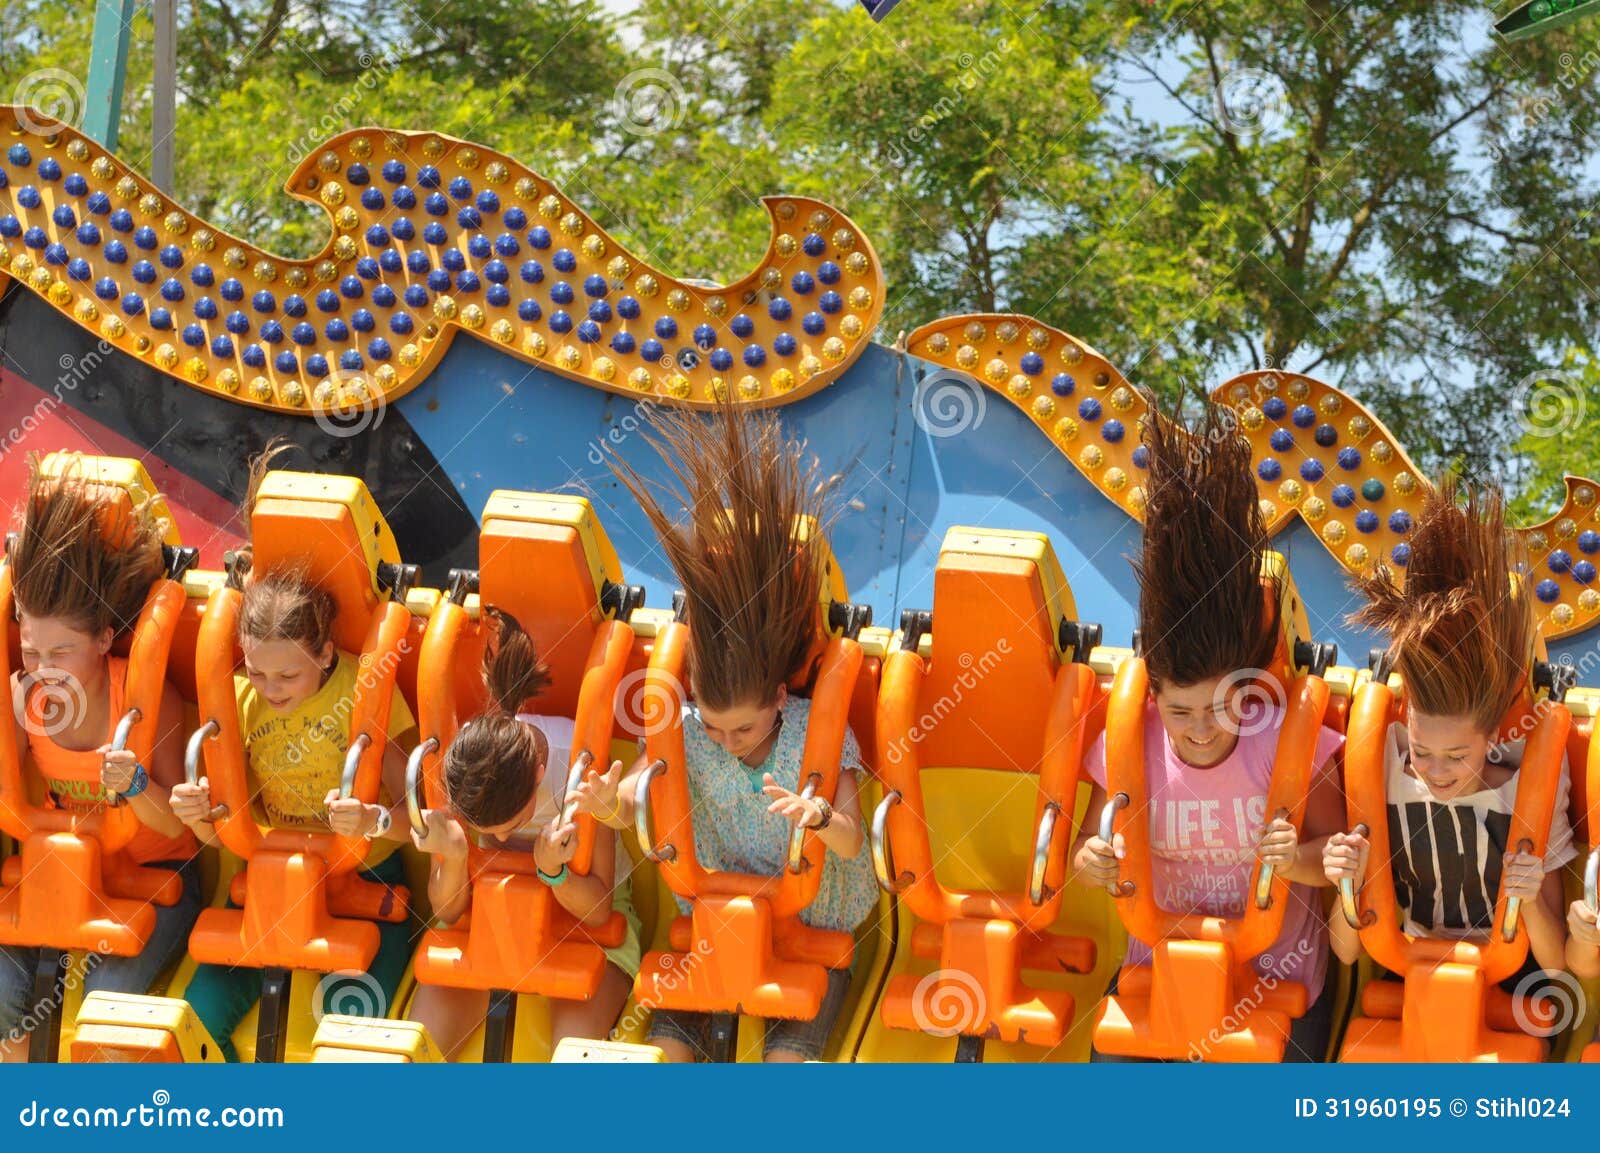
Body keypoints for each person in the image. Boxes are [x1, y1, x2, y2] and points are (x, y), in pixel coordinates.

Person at [571, 401, 877, 1062]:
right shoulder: (685, 732)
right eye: (713, 725)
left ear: (775, 699)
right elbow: (639, 799)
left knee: (785, 1064)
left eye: (741, 727)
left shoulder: (811, 734)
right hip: (711, 926)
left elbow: (853, 842)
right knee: (668, 1060)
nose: (726, 739)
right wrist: (609, 806)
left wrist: (820, 815)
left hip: (808, 930)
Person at [1069, 399, 1345, 1063]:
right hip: (1163, 971)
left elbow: (1335, 860)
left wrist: (1296, 860)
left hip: (1274, 982)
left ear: (1244, 693)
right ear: (1154, 693)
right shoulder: (1128, 741)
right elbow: (1086, 849)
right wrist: (1092, 863)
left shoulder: (1287, 743)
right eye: (1179, 711)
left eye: (1217, 709)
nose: (1198, 730)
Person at [168, 448, 417, 1060]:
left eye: (287, 677)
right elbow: (214, 828)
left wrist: (373, 820)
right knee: (192, 1027)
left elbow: (423, 814)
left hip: (367, 880)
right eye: (257, 673)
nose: (270, 691)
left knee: (348, 1035)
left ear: (325, 656)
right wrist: (197, 810)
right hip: (272, 882)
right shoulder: (238, 700)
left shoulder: (367, 687)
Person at [1323, 477, 1574, 1011]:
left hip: (1509, 990)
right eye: (1422, 752)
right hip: (1409, 978)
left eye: (1457, 756)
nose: (1435, 771)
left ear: (1489, 741)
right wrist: (1347, 884)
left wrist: (1526, 899)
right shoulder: (1383, 772)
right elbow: (1345, 952)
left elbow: (1555, 964)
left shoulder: (1525, 790)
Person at [0, 455, 200, 1062]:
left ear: (102, 641)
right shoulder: (23, 693)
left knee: (104, 1013)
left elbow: (177, 826)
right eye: (33, 651)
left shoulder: (140, 699)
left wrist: (134, 782)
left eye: (62, 650)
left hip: (154, 880)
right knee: (6, 995)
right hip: (62, 872)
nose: (44, 669)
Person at [407, 607, 640, 1059]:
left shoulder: (576, 768)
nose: (494, 842)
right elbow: (451, 912)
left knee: (574, 1057)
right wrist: (455, 858)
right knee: (420, 1053)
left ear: (538, 776)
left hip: (578, 922)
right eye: (484, 833)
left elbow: (598, 912)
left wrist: (552, 871)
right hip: (488, 915)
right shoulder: (468, 765)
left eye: (509, 828)